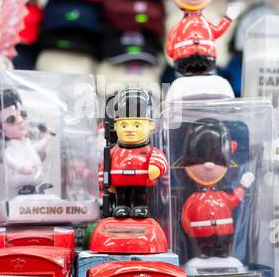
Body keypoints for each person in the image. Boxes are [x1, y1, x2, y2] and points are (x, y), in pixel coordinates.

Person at [176, 118, 255, 262]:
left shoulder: (222, 196)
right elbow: (185, 216)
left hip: (224, 233)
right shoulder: (194, 199)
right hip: (200, 235)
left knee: (223, 251)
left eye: (216, 159)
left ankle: (222, 253)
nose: (208, 165)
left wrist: (243, 186)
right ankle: (204, 253)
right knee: (203, 251)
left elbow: (234, 200)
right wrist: (190, 231)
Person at [165, 0, 231, 77]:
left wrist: (228, 18)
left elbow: (217, 30)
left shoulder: (205, 22)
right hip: (183, 58)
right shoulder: (179, 24)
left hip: (207, 57)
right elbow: (170, 45)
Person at [103, 88, 167, 219]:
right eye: (124, 126)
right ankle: (121, 206)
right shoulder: (114, 151)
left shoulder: (150, 150)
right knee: (121, 195)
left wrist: (156, 167)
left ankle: (141, 207)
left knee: (141, 194)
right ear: (115, 126)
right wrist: (105, 182)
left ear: (150, 125)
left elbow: (160, 159)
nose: (130, 130)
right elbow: (105, 166)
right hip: (119, 183)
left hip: (142, 182)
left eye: (137, 126)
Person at [0, 88, 53, 195]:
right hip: (21, 177)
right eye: (11, 119)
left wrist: (47, 137)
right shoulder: (10, 148)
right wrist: (22, 168)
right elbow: (9, 159)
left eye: (23, 114)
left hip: (35, 176)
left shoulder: (27, 143)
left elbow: (37, 148)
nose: (20, 121)